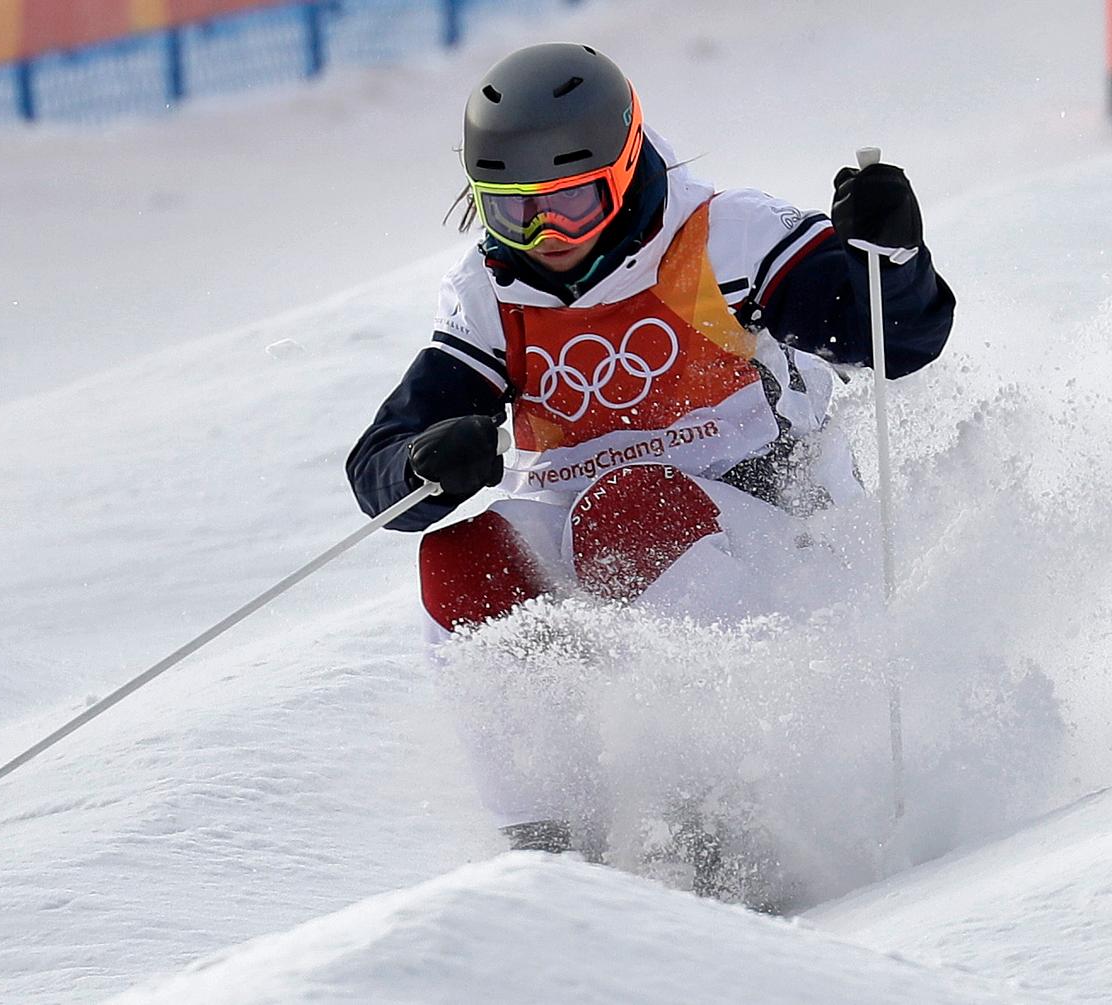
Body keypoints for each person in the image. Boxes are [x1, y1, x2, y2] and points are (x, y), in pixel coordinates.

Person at [346, 43, 954, 859]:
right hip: (595, 544)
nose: (545, 237)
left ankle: (731, 811)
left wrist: (893, 258)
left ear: (627, 166)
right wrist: (424, 462)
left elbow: (894, 337)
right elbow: (381, 469)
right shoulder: (490, 293)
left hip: (772, 531)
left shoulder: (722, 237)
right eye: (512, 213)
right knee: (462, 558)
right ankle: (549, 842)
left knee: (629, 509)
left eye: (572, 204)